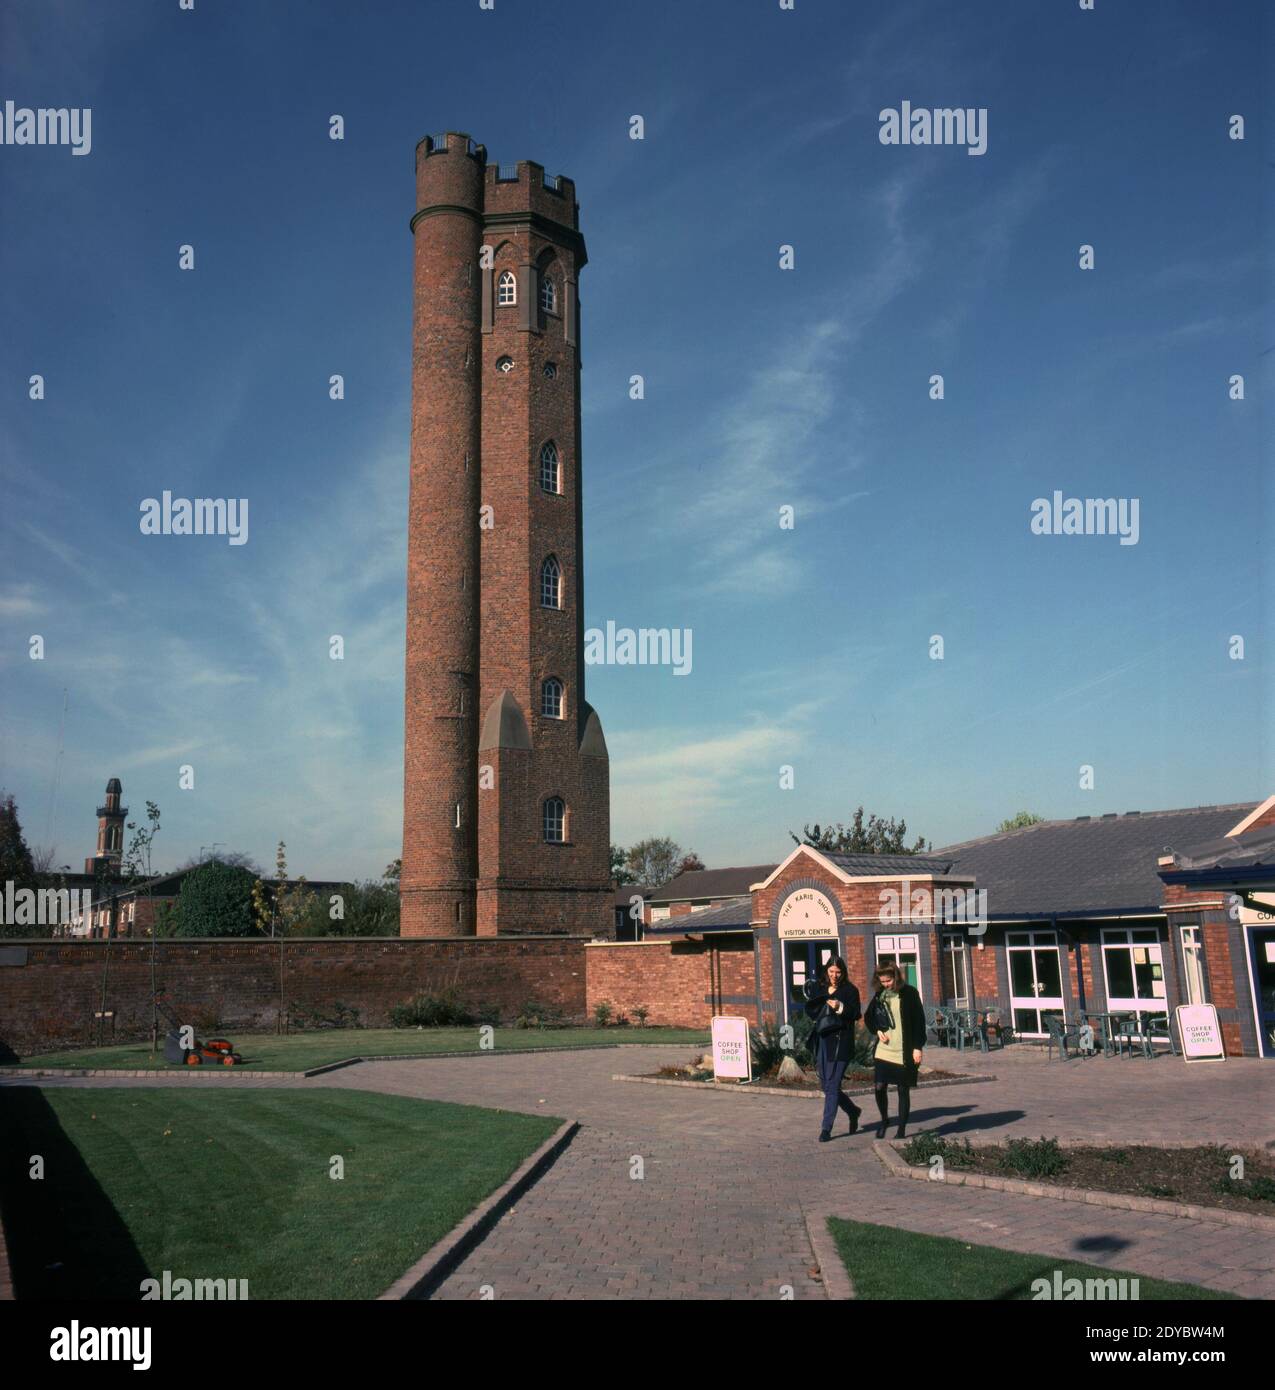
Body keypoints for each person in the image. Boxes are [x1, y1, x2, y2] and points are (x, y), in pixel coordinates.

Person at [864, 961, 926, 1138]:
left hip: (904, 1050)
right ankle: (884, 1120)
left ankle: (901, 1130)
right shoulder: (880, 995)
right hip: (884, 1050)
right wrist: (877, 1030)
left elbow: (919, 1022)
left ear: (896, 977)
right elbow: (868, 1017)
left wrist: (917, 1047)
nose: (886, 984)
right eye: (882, 981)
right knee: (879, 1086)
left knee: (902, 1089)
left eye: (888, 981)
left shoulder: (910, 994)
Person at [803, 956, 862, 1142]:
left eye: (838, 972)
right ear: (826, 971)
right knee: (826, 1086)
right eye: (831, 972)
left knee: (833, 1085)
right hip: (822, 1040)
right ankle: (853, 1111)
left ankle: (826, 1129)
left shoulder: (850, 990)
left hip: (841, 1042)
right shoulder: (819, 988)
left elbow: (856, 1013)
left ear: (843, 972)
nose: (834, 976)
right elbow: (811, 1010)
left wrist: (840, 1007)